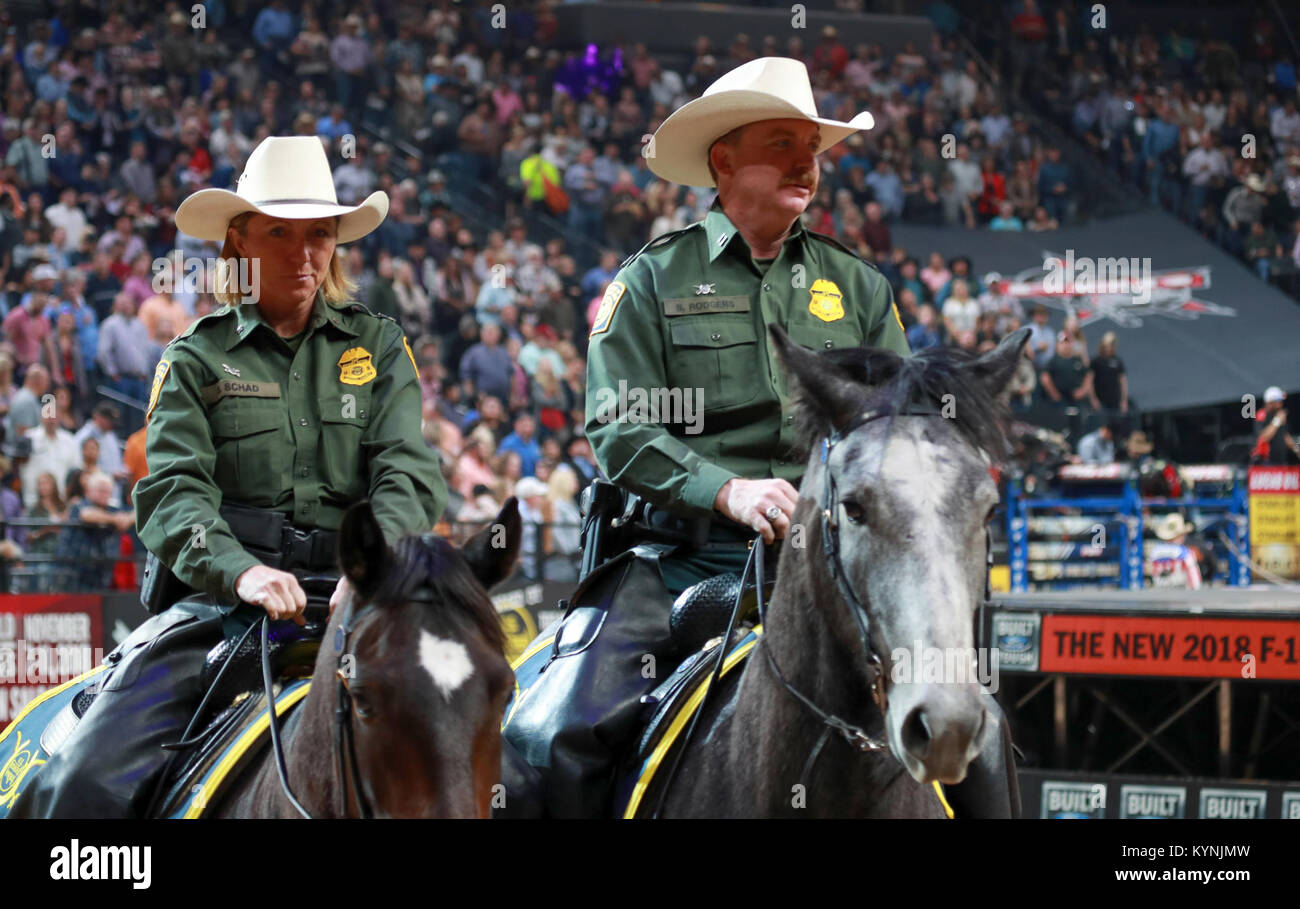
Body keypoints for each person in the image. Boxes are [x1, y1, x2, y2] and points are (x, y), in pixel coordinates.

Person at [503, 57, 1015, 819]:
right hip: (675, 564)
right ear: (723, 161)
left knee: (984, 736)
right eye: (782, 142)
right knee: (556, 735)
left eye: (812, 146)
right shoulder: (652, 282)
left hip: (836, 569)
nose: (806, 161)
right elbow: (619, 426)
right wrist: (728, 489)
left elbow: (901, 435)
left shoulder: (859, 286)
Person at [12, 136, 448, 819]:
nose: (303, 254)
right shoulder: (194, 359)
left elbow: (410, 473)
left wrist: (373, 565)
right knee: (85, 782)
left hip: (357, 594)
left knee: (483, 733)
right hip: (224, 606)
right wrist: (241, 570)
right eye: (280, 233)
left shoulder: (381, 346)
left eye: (320, 234)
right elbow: (172, 490)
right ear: (239, 239)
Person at [1252, 386, 1299, 465]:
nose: (1281, 404)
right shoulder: (1262, 415)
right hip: (1266, 462)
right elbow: (1264, 437)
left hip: (1281, 461)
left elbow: (1285, 436)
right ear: (1270, 402)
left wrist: (1296, 450)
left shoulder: (1279, 415)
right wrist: (1277, 421)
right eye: (1278, 401)